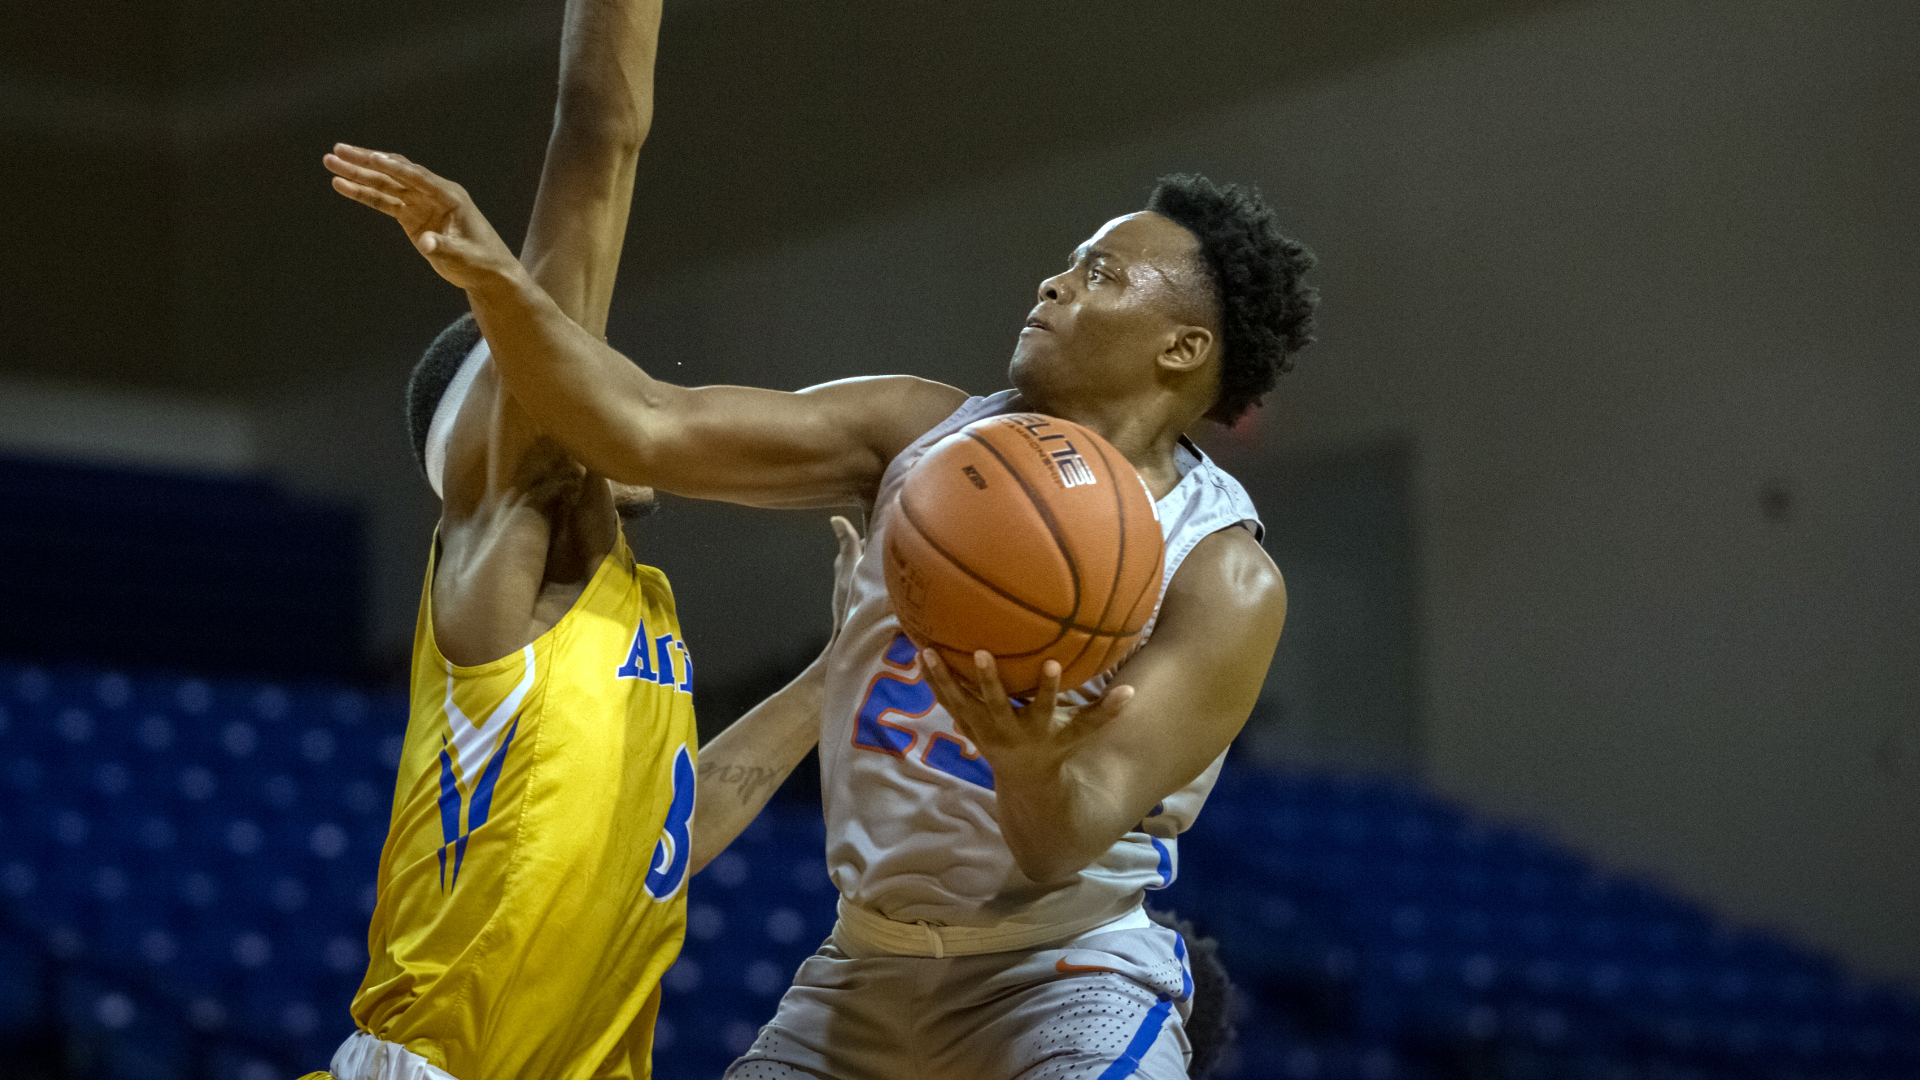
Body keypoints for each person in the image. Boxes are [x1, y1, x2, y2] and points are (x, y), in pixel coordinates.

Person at [326, 133, 1314, 1077]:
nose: (1055, 282)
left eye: (1100, 274)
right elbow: (641, 422)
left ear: (1183, 348)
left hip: (1056, 967)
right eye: (1070, 261)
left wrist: (1027, 763)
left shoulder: (1218, 575)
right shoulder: (915, 434)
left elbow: (1063, 840)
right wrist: (502, 279)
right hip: (865, 965)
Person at [305, 3, 844, 1078]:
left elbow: (663, 839)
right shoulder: (512, 543)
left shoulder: (630, 603)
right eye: (578, 378)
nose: (618, 391)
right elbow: (599, 136)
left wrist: (839, 666)